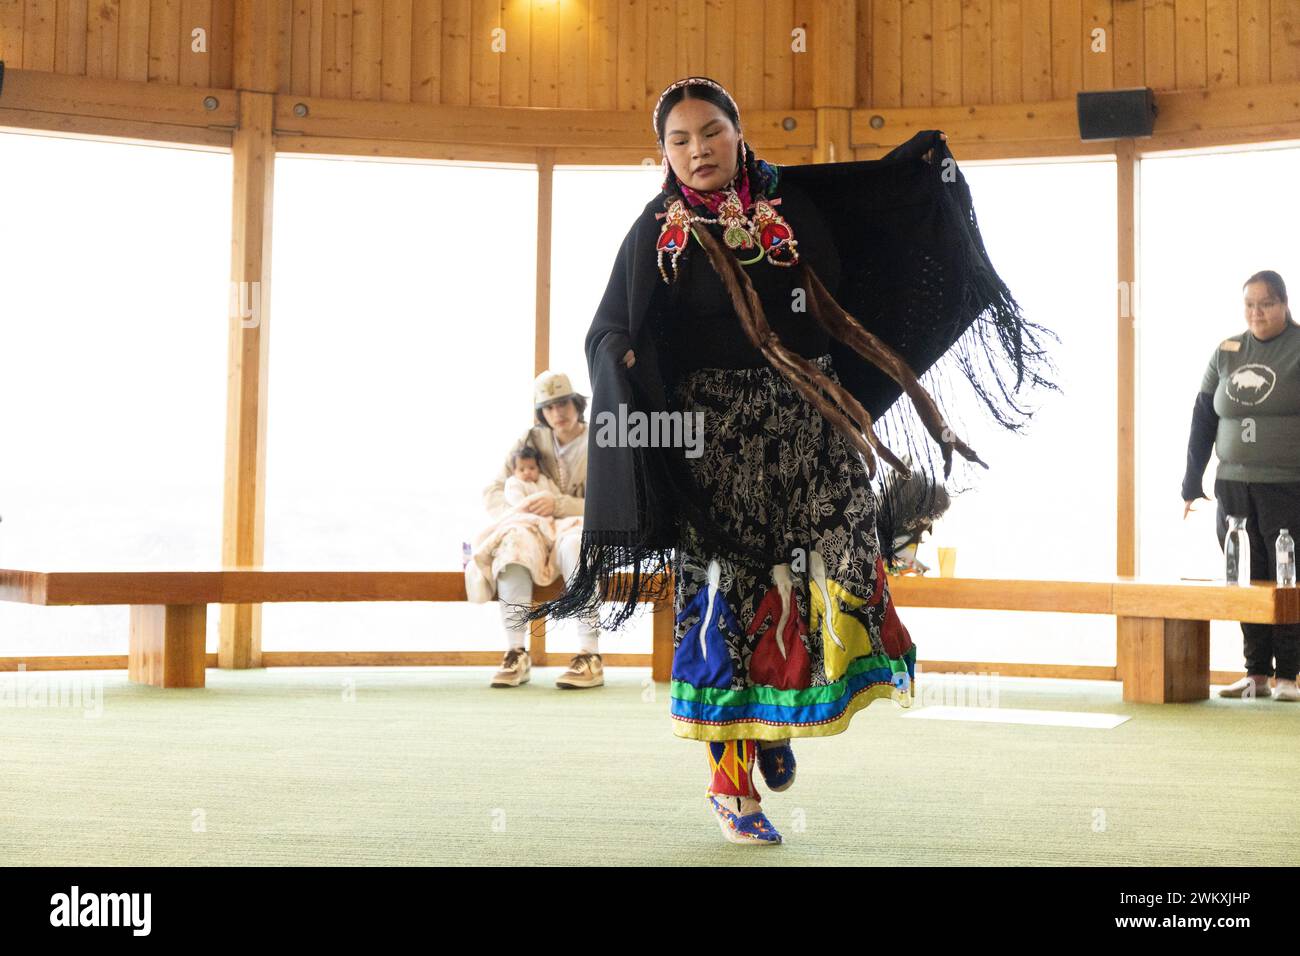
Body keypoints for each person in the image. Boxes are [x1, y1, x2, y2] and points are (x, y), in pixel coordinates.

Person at [528, 76, 1055, 846]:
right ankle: (729, 785)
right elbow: (607, 328)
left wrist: (921, 175)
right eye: (678, 140)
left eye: (709, 132)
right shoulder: (657, 233)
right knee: (728, 603)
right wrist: (625, 365)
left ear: (736, 133)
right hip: (714, 448)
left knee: (839, 559)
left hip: (808, 421)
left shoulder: (795, 206)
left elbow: (858, 268)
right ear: (663, 153)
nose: (696, 150)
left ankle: (773, 722)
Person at [1182, 270, 1300, 702]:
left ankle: (1288, 675)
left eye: (1265, 304)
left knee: (1287, 579)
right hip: (1233, 484)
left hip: (1288, 486)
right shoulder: (1227, 350)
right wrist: (1191, 479)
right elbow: (1203, 416)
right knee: (1246, 578)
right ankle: (1256, 674)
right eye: (1249, 304)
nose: (1256, 313)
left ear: (1284, 303)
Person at [478, 370, 606, 690]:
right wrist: (519, 515)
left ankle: (590, 655)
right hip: (534, 529)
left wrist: (560, 505)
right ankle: (515, 652)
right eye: (548, 407)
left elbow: (616, 501)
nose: (557, 413)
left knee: (576, 545)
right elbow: (493, 490)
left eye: (563, 403)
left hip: (581, 526)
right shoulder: (530, 440)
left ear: (577, 403)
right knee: (513, 545)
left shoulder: (601, 438)